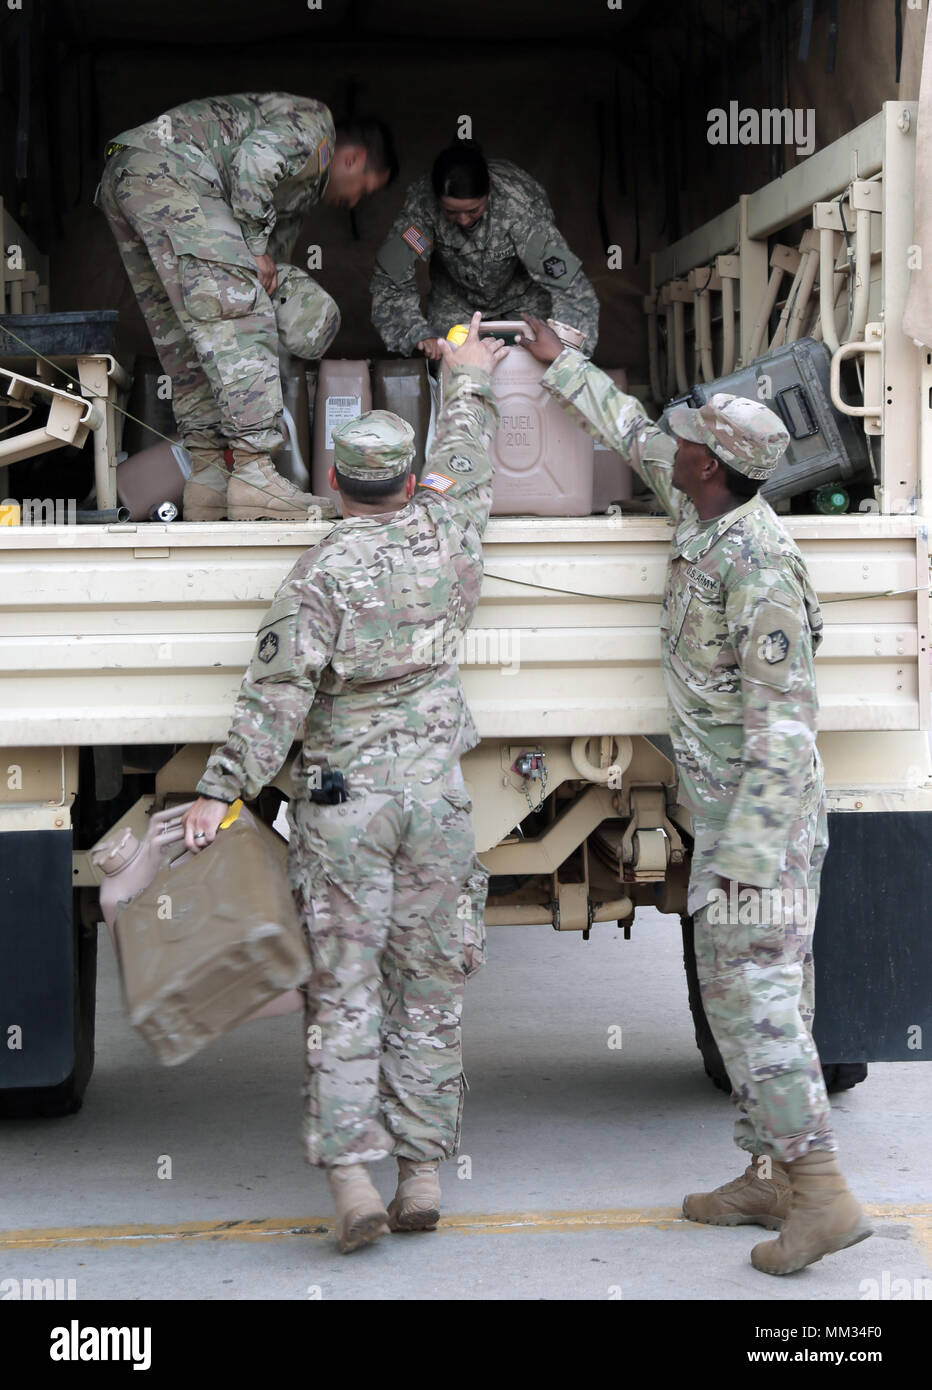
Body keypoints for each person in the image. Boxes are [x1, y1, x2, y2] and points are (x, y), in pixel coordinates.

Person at [521, 313, 873, 1276]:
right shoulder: (703, 511)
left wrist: (746, 866)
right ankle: (767, 1171)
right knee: (762, 1004)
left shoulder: (760, 568)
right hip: (727, 819)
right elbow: (634, 432)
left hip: (760, 826)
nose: (670, 447)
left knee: (754, 1003)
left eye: (688, 444)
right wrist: (566, 366)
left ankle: (824, 1193)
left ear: (712, 468)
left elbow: (785, 730)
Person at [180, 312, 507, 1253]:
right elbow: (468, 453)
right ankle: (424, 1173)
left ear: (334, 482)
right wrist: (468, 373)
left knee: (346, 989)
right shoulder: (450, 533)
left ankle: (354, 1182)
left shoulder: (318, 576)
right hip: (438, 804)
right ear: (407, 483)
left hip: (343, 809)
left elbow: (272, 699)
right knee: (432, 985)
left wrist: (220, 793)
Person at [97, 95, 398, 521]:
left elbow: (266, 273)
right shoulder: (317, 129)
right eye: (362, 190)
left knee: (185, 333)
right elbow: (255, 162)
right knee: (239, 312)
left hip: (132, 173)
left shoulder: (293, 194)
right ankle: (256, 473)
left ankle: (207, 478)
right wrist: (253, 253)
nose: (352, 202)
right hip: (174, 169)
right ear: (352, 160)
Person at [371, 139, 598, 360]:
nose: (463, 220)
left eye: (473, 210)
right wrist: (417, 332)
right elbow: (392, 275)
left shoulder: (518, 212)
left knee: (536, 362)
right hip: (455, 295)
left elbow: (570, 287)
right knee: (448, 360)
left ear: (489, 187)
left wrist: (566, 360)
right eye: (450, 212)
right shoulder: (424, 209)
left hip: (521, 293)